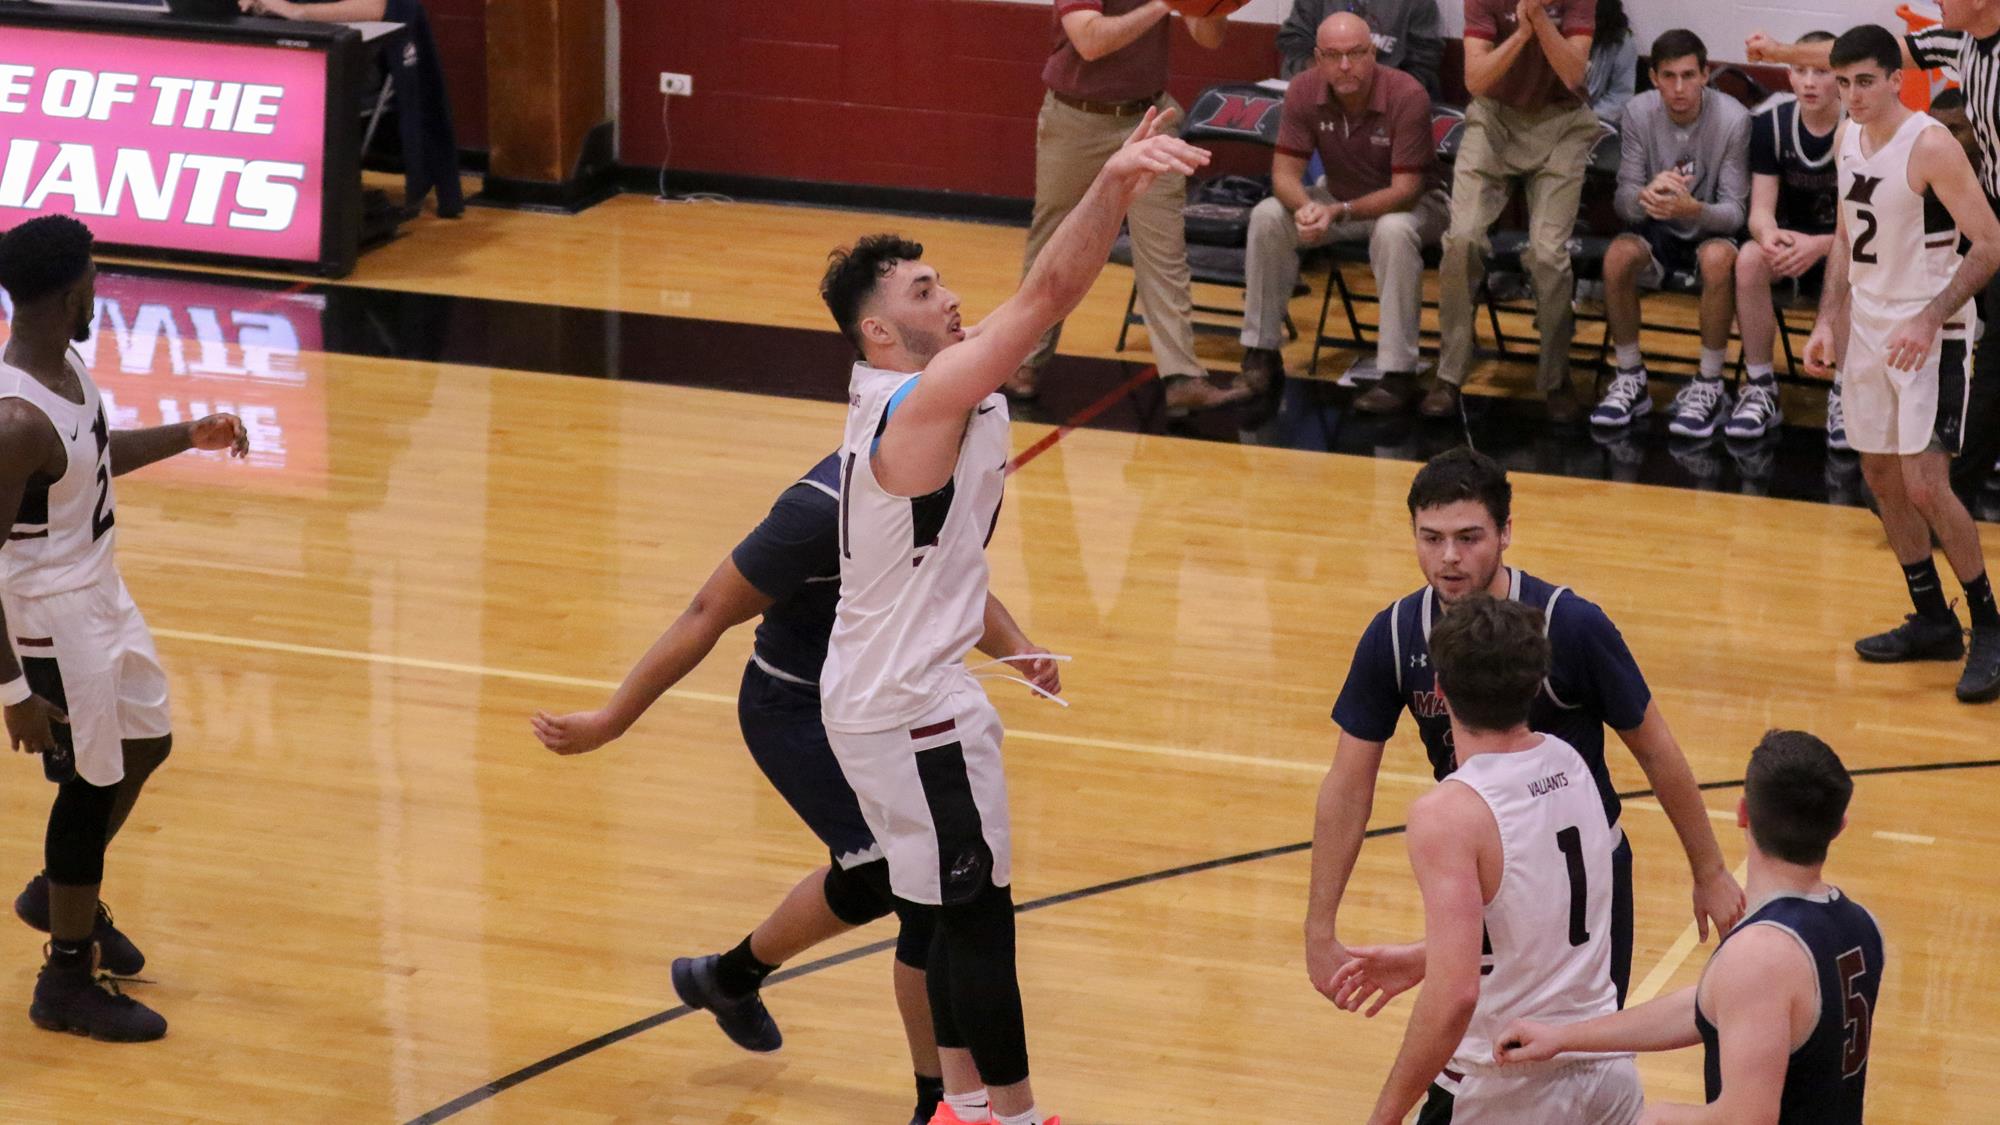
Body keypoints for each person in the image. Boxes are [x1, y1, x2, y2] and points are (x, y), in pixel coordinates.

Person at [817, 110, 1206, 1125]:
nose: (946, 296)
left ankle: (959, 1105)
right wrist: (1114, 184)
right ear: (875, 331)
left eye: (938, 280)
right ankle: (1019, 1117)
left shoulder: (907, 397)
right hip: (910, 711)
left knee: (943, 910)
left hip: (876, 699)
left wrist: (1011, 639)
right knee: (981, 915)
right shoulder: (915, 405)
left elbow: (932, 562)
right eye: (920, 291)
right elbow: (1046, 294)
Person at [530, 458, 1060, 1125]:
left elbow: (949, 584)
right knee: (919, 898)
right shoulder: (818, 510)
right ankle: (939, 1102)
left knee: (877, 878)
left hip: (883, 712)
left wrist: (1018, 648)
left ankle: (729, 977)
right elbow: (705, 611)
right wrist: (612, 720)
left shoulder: (935, 475)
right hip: (798, 712)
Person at [1311, 447, 1744, 1121]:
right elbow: (1347, 783)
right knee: (1551, 1046)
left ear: (1506, 531)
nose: (1448, 557)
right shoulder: (1398, 634)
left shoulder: (1570, 624)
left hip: (1576, 857)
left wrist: (1710, 867)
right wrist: (1322, 925)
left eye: (1467, 537)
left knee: (1535, 1046)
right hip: (1496, 858)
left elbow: (1658, 751)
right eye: (1431, 539)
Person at [1, 215, 249, 1042]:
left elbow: (94, 461)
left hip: (102, 592)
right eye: (96, 276)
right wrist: (13, 697)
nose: (99, 289)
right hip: (50, 625)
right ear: (72, 286)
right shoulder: (15, 422)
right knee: (89, 787)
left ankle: (54, 891)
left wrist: (188, 434)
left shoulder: (67, 366)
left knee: (147, 740)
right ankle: (66, 977)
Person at [1333, 595, 1641, 1125]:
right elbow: (1534, 916)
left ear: (1439, 690)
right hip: (1605, 1069)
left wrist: (1383, 1117)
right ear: (1534, 684)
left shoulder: (1449, 812)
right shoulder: (1571, 763)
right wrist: (1424, 956)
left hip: (1503, 1087)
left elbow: (1454, 998)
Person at [1497, 730, 1883, 1124]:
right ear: (1840, 825)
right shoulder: (1861, 925)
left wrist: (1659, 1119)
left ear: (1742, 812)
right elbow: (1712, 1007)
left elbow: (1745, 1118)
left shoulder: (1761, 955)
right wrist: (1565, 1037)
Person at [1800, 25, 2000, 703]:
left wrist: (1928, 314)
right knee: (1880, 473)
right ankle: (1932, 618)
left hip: (1932, 327)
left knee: (1925, 483)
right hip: (1870, 327)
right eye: (1843, 81)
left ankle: (1989, 625)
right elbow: (1843, 236)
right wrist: (1829, 316)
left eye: (1864, 81)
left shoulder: (1932, 144)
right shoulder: (1848, 137)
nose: (1851, 94)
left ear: (1895, 79)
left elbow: (1990, 243)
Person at [1750, 0, 2000, 520]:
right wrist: (1779, 51)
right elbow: (1864, 52)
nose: (1936, 1)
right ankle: (1945, 491)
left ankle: (1948, 493)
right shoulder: (1959, 43)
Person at [1010, 1, 1241, 414]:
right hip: (1076, 118)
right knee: (1055, 245)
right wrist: (1163, 4)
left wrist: (1210, 8)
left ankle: (1182, 377)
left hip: (1149, 118)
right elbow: (1091, 41)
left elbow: (1210, 38)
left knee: (1164, 250)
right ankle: (1022, 361)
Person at [1246, 11, 1448, 421]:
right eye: (1334, 55)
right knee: (1268, 214)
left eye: (1355, 53)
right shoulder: (1303, 90)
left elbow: (1406, 189)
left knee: (1393, 230)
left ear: (1373, 53)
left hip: (1416, 205)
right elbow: (1284, 173)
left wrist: (1337, 212)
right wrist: (1307, 210)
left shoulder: (1406, 93)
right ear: (1317, 57)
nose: (1344, 65)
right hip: (1338, 199)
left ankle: (1397, 373)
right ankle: (1260, 352)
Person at [1430, 0, 1602, 423]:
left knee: (1548, 255)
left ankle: (1556, 377)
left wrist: (1539, 19)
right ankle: (1449, 373)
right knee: (1462, 239)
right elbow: (1475, 79)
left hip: (1563, 122)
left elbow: (1573, 73)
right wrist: (1521, 33)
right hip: (1495, 118)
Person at [1589, 29, 1752, 437]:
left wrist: (1694, 209)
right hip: (1657, 224)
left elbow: (1735, 214)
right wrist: (1644, 196)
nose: (1679, 88)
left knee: (1718, 260)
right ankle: (1630, 376)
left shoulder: (1733, 119)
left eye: (1688, 75)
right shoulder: (1638, 112)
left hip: (1709, 224)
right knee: (1617, 256)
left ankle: (1711, 383)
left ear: (1705, 74)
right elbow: (1622, 201)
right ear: (1653, 77)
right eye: (1669, 76)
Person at [1732, 31, 1844, 444]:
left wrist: (1821, 245)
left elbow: (1869, 227)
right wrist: (1769, 235)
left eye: (1822, 71)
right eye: (1800, 71)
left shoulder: (1860, 127)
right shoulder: (1771, 125)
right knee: (1748, 258)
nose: (1810, 82)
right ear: (1789, 76)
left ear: (1842, 78)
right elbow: (1760, 209)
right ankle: (1760, 386)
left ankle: (1845, 392)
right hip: (1791, 243)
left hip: (1842, 243)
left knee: (1854, 263)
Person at [1277, 0, 1445, 100]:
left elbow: (1424, 65)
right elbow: (1294, 42)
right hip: (1321, 100)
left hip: (1387, 107)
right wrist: (1324, 74)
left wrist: (1374, 91)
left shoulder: (1418, 3)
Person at [1583, 0, 1636, 125]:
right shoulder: (1555, 25)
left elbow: (1620, 96)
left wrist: (1584, 121)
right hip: (1552, 120)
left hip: (1596, 123)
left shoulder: (1621, 40)